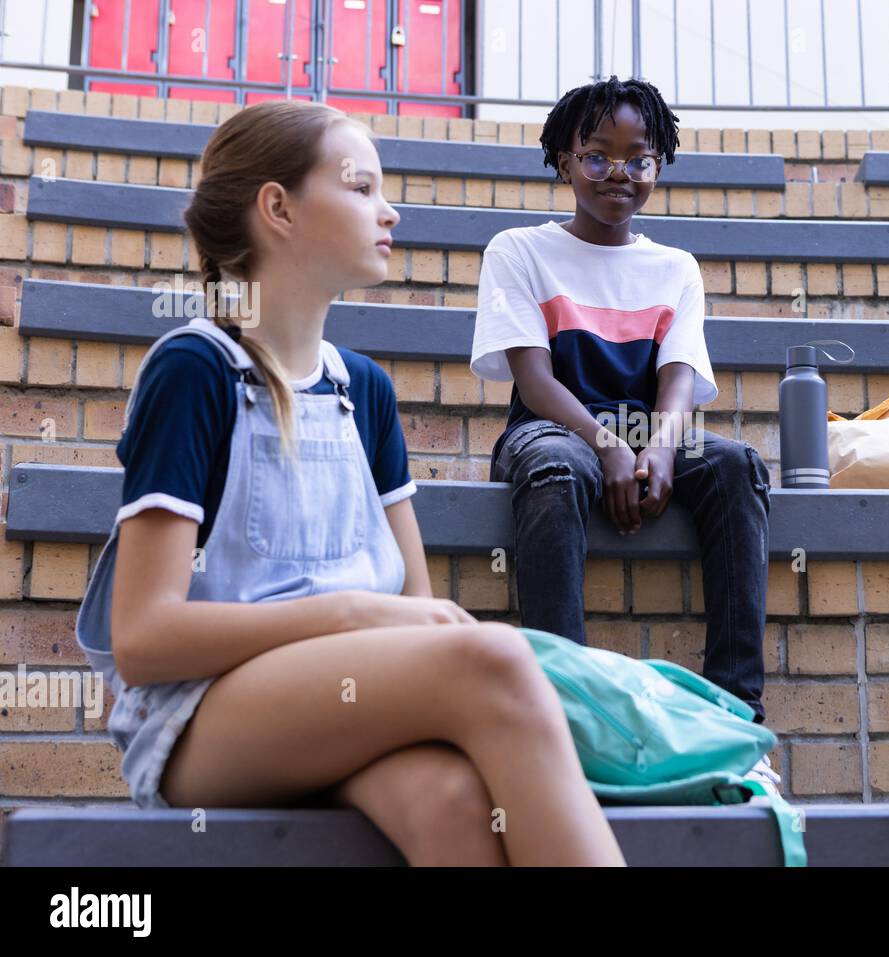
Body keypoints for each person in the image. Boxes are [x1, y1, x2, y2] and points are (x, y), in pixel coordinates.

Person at [74, 99, 624, 867]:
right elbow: (142, 639)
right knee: (494, 661)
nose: (389, 210)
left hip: (336, 703)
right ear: (278, 208)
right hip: (201, 720)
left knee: (453, 803)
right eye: (362, 188)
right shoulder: (196, 368)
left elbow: (416, 611)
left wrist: (370, 622)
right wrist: (344, 614)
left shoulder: (362, 391)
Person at [468, 77, 777, 787]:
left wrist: (660, 445)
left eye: (638, 157)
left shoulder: (675, 267)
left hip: (645, 433)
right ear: (563, 160)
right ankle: (563, 717)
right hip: (550, 428)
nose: (619, 173)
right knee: (553, 470)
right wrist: (606, 443)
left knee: (736, 465)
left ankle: (737, 719)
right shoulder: (518, 249)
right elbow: (536, 379)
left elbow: (677, 378)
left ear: (659, 165)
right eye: (597, 155)